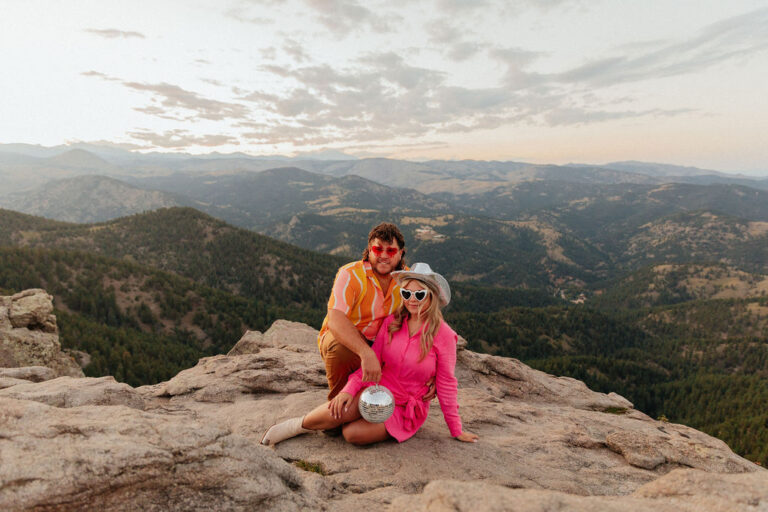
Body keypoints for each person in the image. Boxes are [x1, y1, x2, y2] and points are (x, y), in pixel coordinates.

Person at [261, 262, 478, 446]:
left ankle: (341, 419)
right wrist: (348, 390)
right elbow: (373, 361)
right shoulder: (392, 323)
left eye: (419, 294)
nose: (412, 299)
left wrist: (456, 429)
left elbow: (447, 382)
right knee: (340, 408)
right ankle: (294, 427)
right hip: (377, 388)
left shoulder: (444, 335)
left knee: (352, 434)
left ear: (431, 296)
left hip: (404, 407)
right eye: (407, 293)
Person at [318, 222, 433, 401]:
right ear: (369, 250)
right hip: (351, 341)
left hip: (386, 344)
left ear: (401, 253)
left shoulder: (408, 280)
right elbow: (336, 320)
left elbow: (423, 320)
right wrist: (366, 353)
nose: (384, 256)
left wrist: (433, 371)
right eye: (378, 250)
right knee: (338, 348)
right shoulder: (349, 274)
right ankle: (338, 406)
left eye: (391, 251)